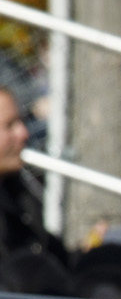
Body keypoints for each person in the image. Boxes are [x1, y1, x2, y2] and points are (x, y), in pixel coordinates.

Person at [0, 87, 64, 264]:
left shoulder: (16, 189)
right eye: (9, 125)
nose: (23, 133)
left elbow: (50, 252)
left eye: (21, 122)